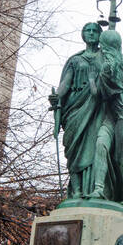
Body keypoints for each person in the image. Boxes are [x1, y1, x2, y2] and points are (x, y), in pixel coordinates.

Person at [50, 23, 103, 200]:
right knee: (73, 149)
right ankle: (77, 191)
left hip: (96, 107)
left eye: (95, 31)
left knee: (94, 147)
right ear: (83, 35)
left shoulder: (105, 56)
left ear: (100, 35)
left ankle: (92, 189)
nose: (91, 33)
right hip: (74, 106)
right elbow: (66, 82)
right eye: (87, 31)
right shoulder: (75, 59)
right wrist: (57, 96)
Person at [87, 25, 123, 204]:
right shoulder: (112, 61)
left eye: (102, 44)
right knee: (101, 145)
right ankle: (99, 189)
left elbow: (97, 93)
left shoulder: (112, 65)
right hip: (110, 115)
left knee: (119, 159)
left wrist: (92, 78)